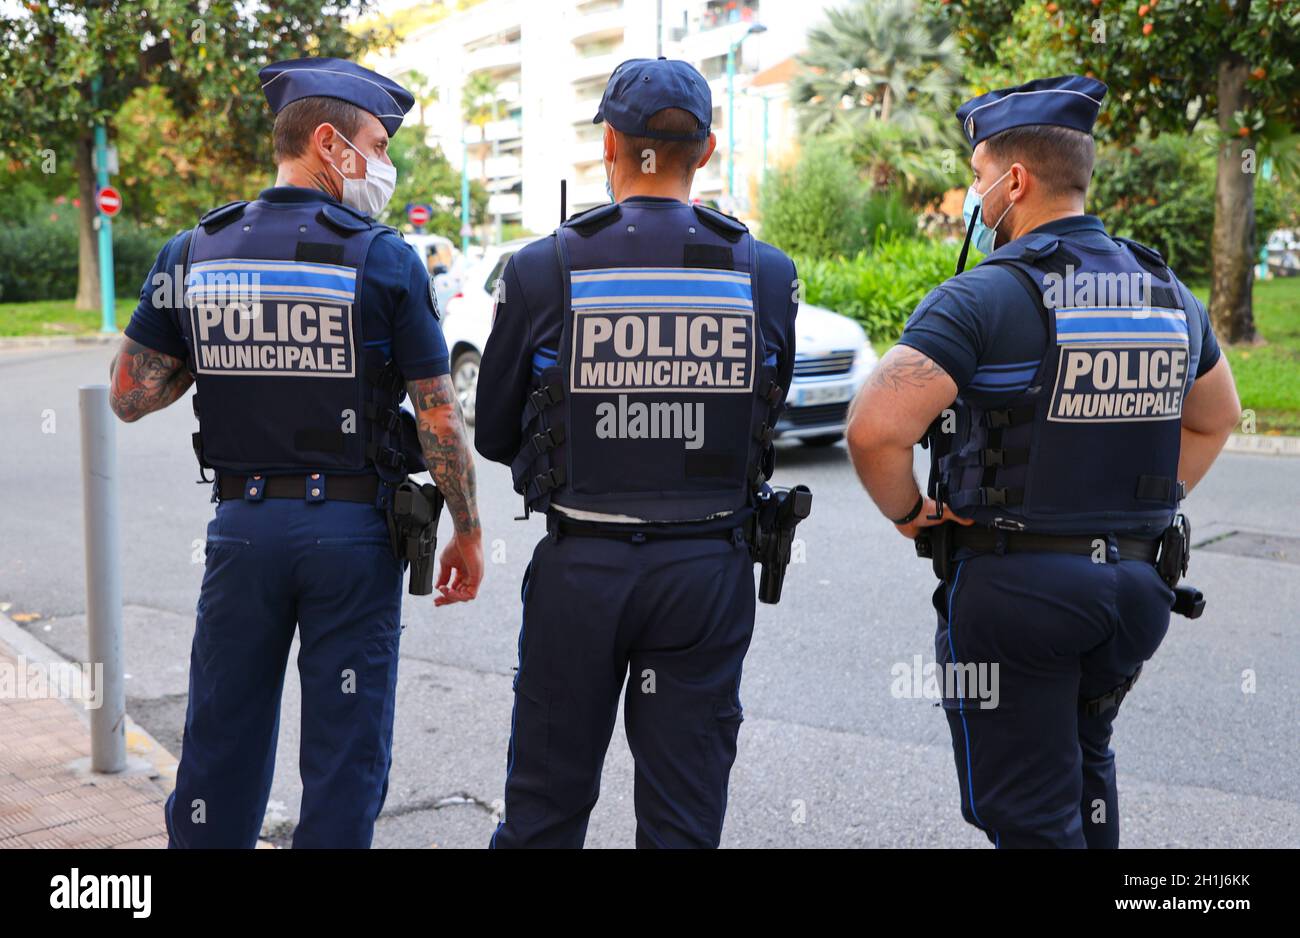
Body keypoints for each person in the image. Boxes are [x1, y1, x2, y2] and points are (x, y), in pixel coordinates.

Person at [845, 75, 1241, 848]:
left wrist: (909, 514)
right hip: (1137, 591)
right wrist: (1141, 502)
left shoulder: (983, 297)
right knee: (1088, 766)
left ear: (1013, 181)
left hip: (1017, 597)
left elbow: (873, 431)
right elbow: (1218, 417)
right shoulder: (1166, 291)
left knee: (1027, 813)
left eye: (974, 178)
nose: (973, 196)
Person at [108, 57, 484, 848]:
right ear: (329, 143)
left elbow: (129, 395)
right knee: (345, 759)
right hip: (352, 538)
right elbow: (439, 417)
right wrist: (469, 531)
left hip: (243, 533)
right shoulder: (383, 258)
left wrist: (223, 349)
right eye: (377, 145)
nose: (384, 165)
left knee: (219, 745)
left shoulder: (193, 251)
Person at [474, 57, 800, 849]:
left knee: (545, 811)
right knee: (683, 822)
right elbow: (768, 412)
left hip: (581, 570)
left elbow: (491, 432)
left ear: (611, 146)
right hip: (707, 570)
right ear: (710, 149)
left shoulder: (542, 266)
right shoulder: (765, 271)